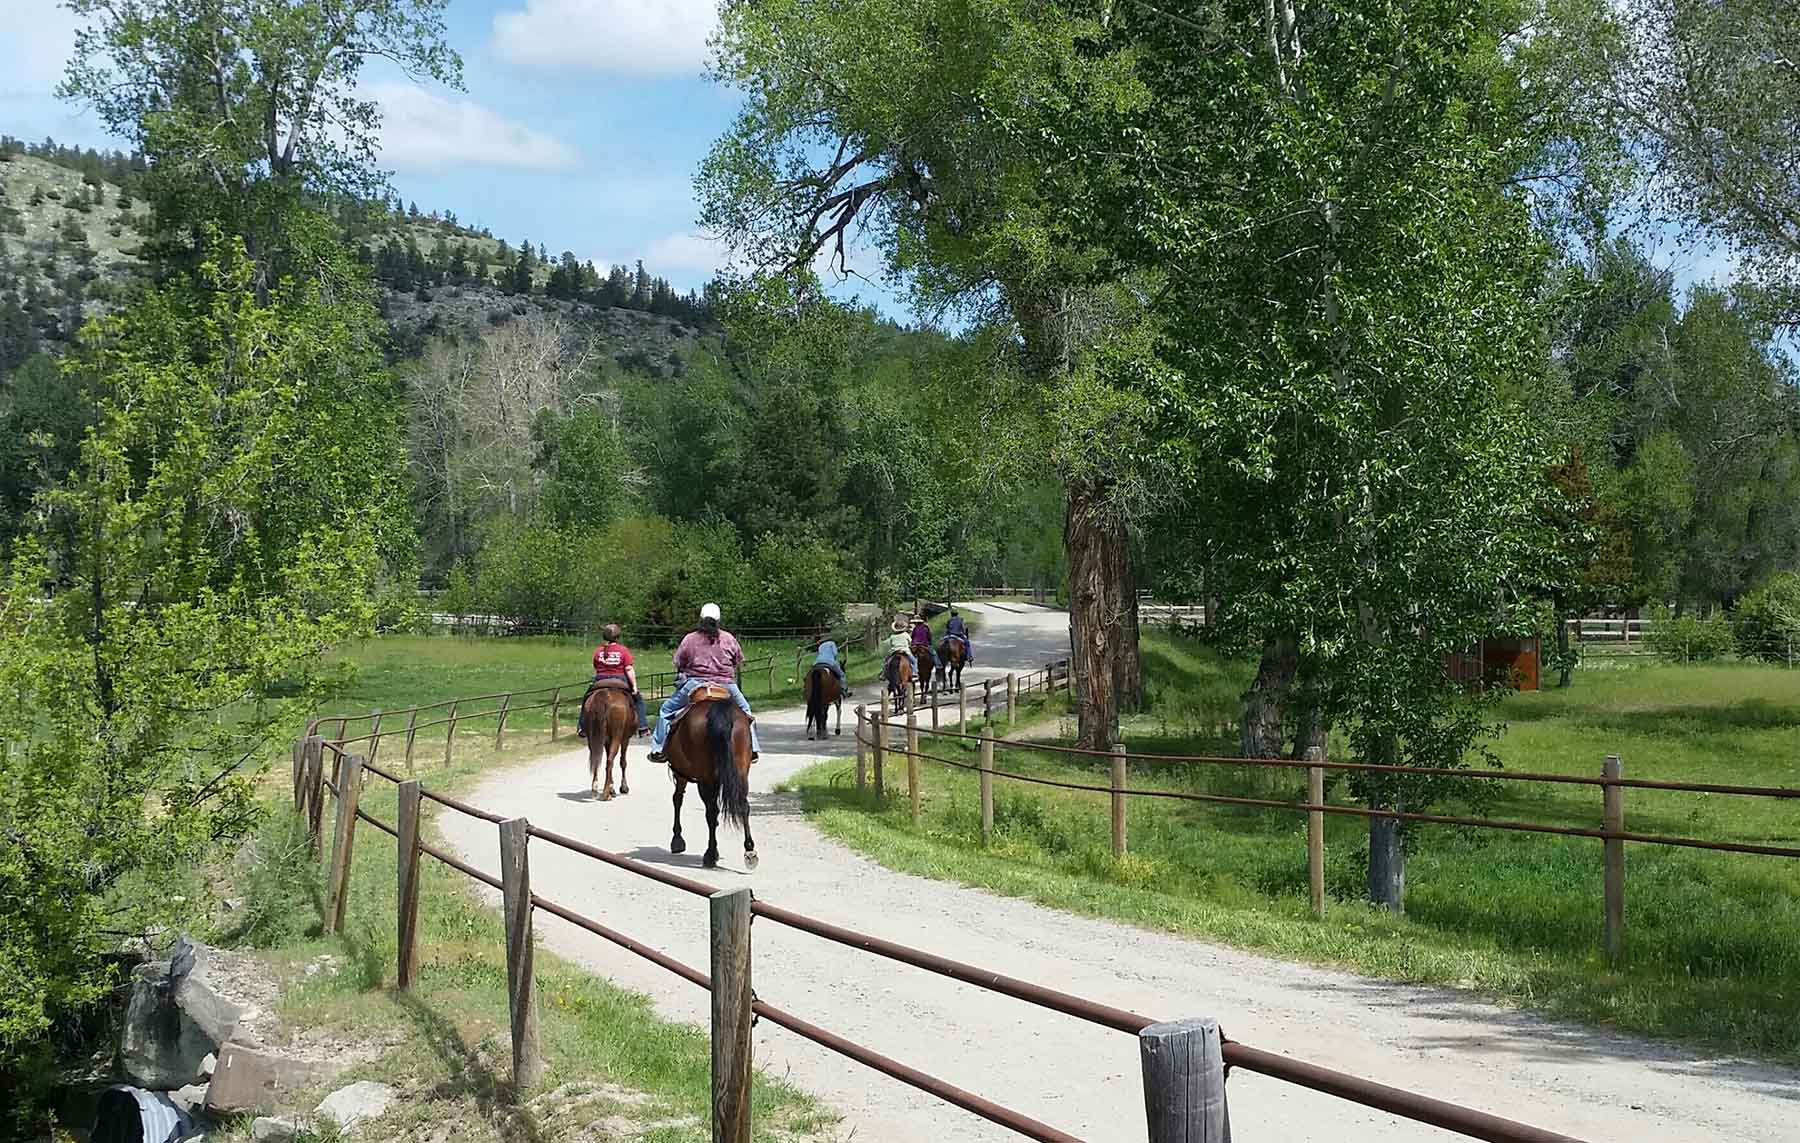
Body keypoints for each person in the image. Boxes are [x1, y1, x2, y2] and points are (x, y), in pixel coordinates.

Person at [647, 603, 762, 763]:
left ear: (700, 619)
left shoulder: (690, 639)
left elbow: (679, 662)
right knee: (746, 711)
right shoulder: (729, 638)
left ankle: (658, 749)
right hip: (726, 684)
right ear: (719, 620)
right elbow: (737, 661)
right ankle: (753, 749)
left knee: (666, 710)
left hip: (696, 683)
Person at [578, 623, 648, 737]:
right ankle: (643, 727)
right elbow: (629, 668)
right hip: (619, 679)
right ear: (618, 636)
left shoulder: (598, 651)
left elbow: (596, 667)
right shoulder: (623, 650)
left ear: (604, 636)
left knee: (586, 699)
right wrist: (634, 687)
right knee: (638, 700)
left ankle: (582, 727)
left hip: (600, 680)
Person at [808, 629, 852, 695]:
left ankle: (808, 688)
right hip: (829, 662)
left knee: (810, 675)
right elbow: (835, 654)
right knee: (841, 675)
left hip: (817, 663)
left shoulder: (821, 646)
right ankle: (844, 690)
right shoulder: (832, 643)